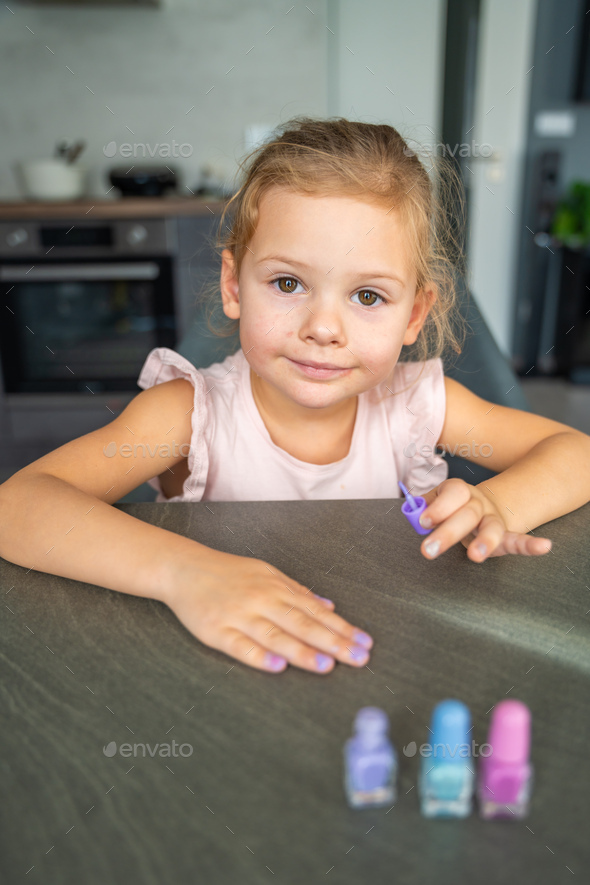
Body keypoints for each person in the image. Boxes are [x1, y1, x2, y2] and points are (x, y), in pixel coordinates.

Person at [1, 117, 589, 677]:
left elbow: (577, 454)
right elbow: (17, 506)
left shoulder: (419, 402)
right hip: (219, 659)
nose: (324, 328)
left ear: (414, 314)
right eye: (288, 283)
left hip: (377, 649)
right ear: (234, 286)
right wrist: (186, 575)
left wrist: (500, 506)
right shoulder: (188, 413)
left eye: (367, 296)